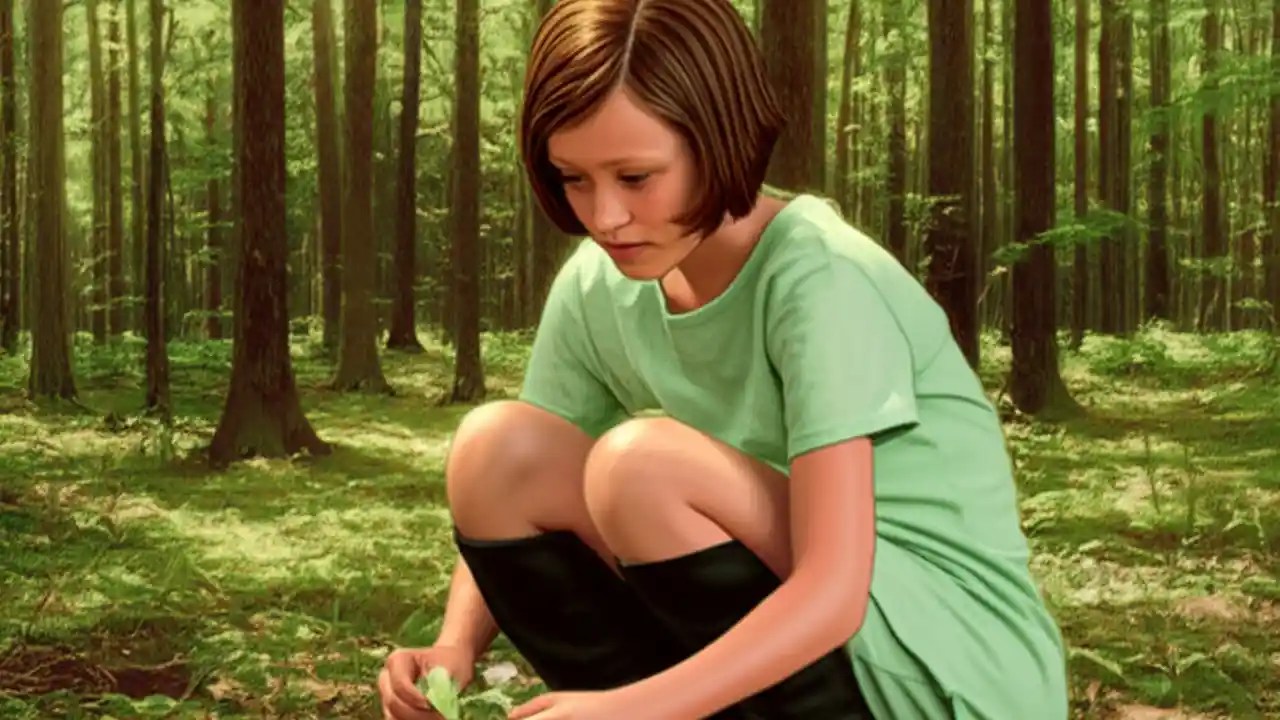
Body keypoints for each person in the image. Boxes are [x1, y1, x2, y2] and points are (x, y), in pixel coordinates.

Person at [378, 0, 1071, 718]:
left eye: (636, 177)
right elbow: (517, 482)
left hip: (940, 664)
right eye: (573, 178)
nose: (605, 216)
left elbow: (835, 590)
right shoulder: (599, 282)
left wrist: (637, 710)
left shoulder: (821, 280)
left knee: (640, 469)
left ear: (720, 140)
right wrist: (456, 644)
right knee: (497, 448)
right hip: (790, 634)